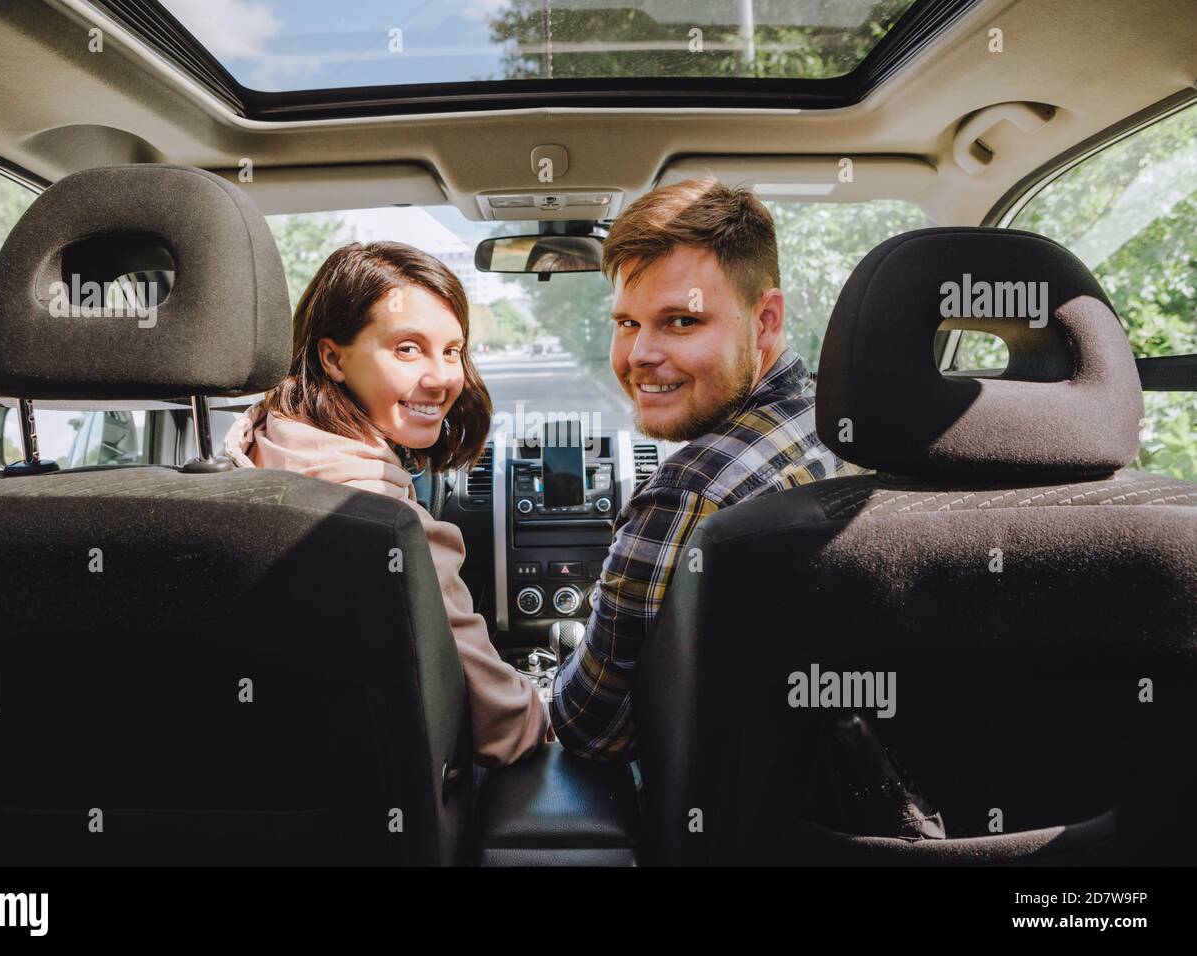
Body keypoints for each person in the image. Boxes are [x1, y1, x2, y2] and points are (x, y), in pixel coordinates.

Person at [550, 177, 863, 760]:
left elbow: (591, 730)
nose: (639, 354)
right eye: (627, 322)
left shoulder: (689, 493)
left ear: (765, 320)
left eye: (681, 321)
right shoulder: (846, 428)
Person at [223, 241, 552, 767]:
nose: (443, 378)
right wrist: (552, 712)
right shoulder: (389, 527)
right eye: (407, 348)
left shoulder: (243, 456)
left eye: (452, 351)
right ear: (332, 357)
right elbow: (503, 731)